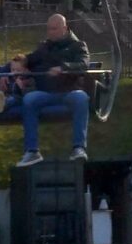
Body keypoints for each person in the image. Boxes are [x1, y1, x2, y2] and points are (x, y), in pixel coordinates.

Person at [12, 15, 92, 167]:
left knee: (81, 98)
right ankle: (32, 151)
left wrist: (63, 68)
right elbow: (27, 59)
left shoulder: (78, 46)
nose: (50, 32)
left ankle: (79, 148)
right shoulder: (44, 48)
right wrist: (10, 68)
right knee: (29, 99)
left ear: (64, 28)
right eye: (48, 29)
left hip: (69, 92)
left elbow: (83, 64)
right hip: (46, 93)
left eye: (54, 29)